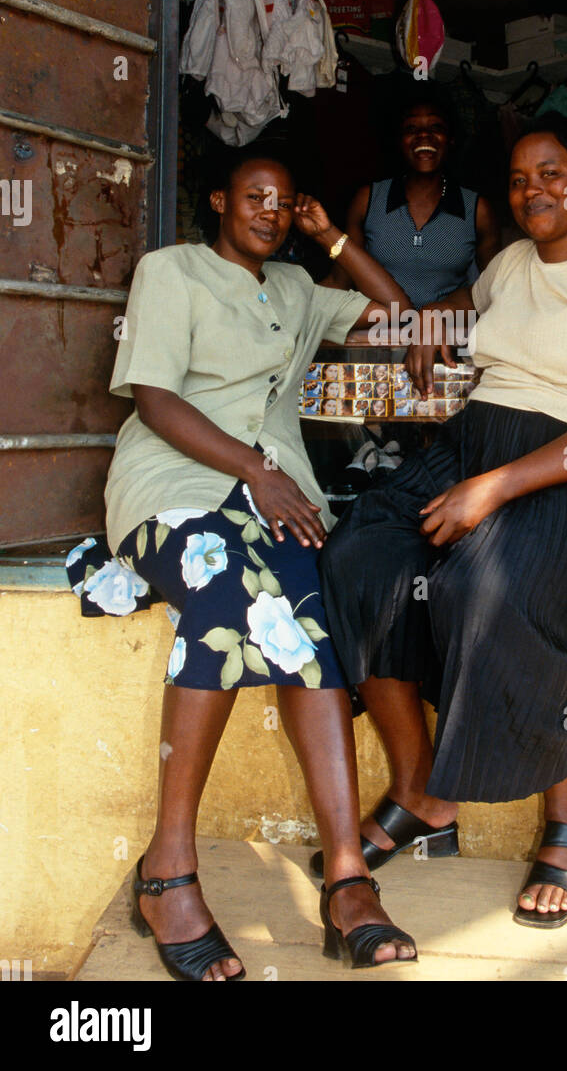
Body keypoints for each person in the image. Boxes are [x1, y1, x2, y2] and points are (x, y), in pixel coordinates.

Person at [315, 113, 567, 926]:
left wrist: (495, 489)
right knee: (360, 558)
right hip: (482, 435)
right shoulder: (511, 263)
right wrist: (425, 330)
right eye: (519, 180)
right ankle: (419, 790)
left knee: (489, 584)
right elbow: (465, 300)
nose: (534, 191)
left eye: (551, 173)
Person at [99, 147, 421, 979]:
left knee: (312, 633)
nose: (272, 212)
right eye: (256, 197)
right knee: (222, 607)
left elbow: (398, 314)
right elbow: (155, 397)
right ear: (219, 201)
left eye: (285, 202)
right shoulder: (171, 272)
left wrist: (332, 238)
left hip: (276, 496)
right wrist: (256, 470)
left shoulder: (296, 289)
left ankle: (347, 877)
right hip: (176, 483)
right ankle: (167, 869)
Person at [323, 91, 500, 311]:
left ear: (451, 138)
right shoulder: (368, 200)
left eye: (436, 127)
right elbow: (341, 280)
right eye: (411, 129)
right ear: (399, 140)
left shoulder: (477, 209)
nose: (424, 135)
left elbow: (493, 290)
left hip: (448, 336)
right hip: (378, 335)